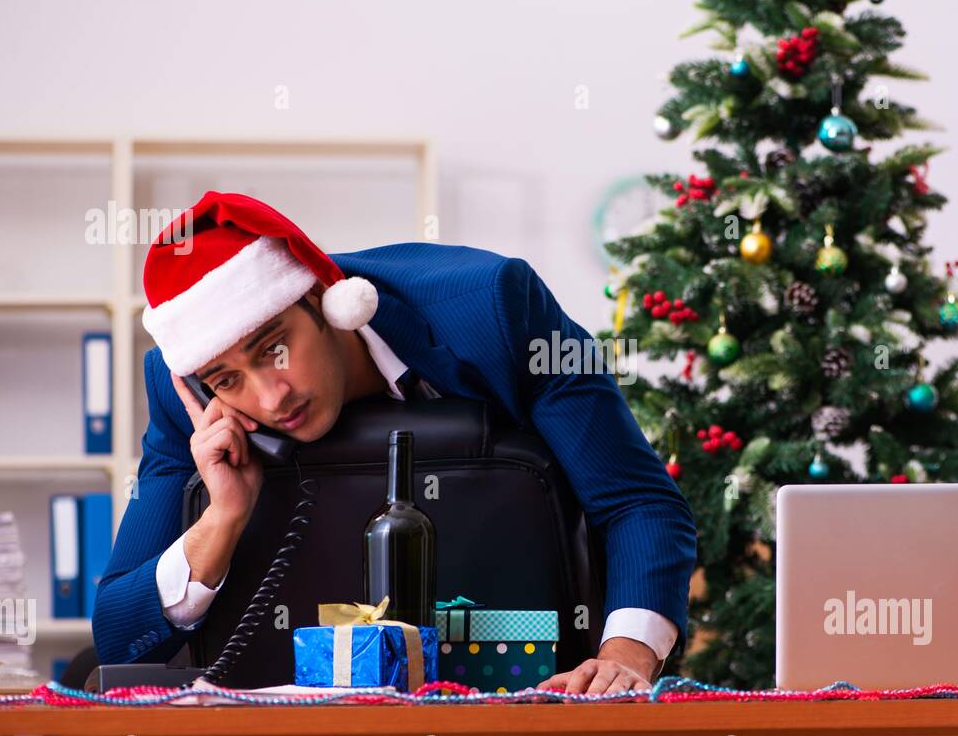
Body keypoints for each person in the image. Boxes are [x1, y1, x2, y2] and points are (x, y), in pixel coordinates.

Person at [92, 191, 697, 694]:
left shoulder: (495, 308)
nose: (270, 398)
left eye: (275, 349)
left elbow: (639, 501)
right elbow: (119, 637)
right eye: (230, 380)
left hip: (528, 683)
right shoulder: (184, 398)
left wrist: (627, 656)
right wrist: (220, 518)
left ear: (323, 298)